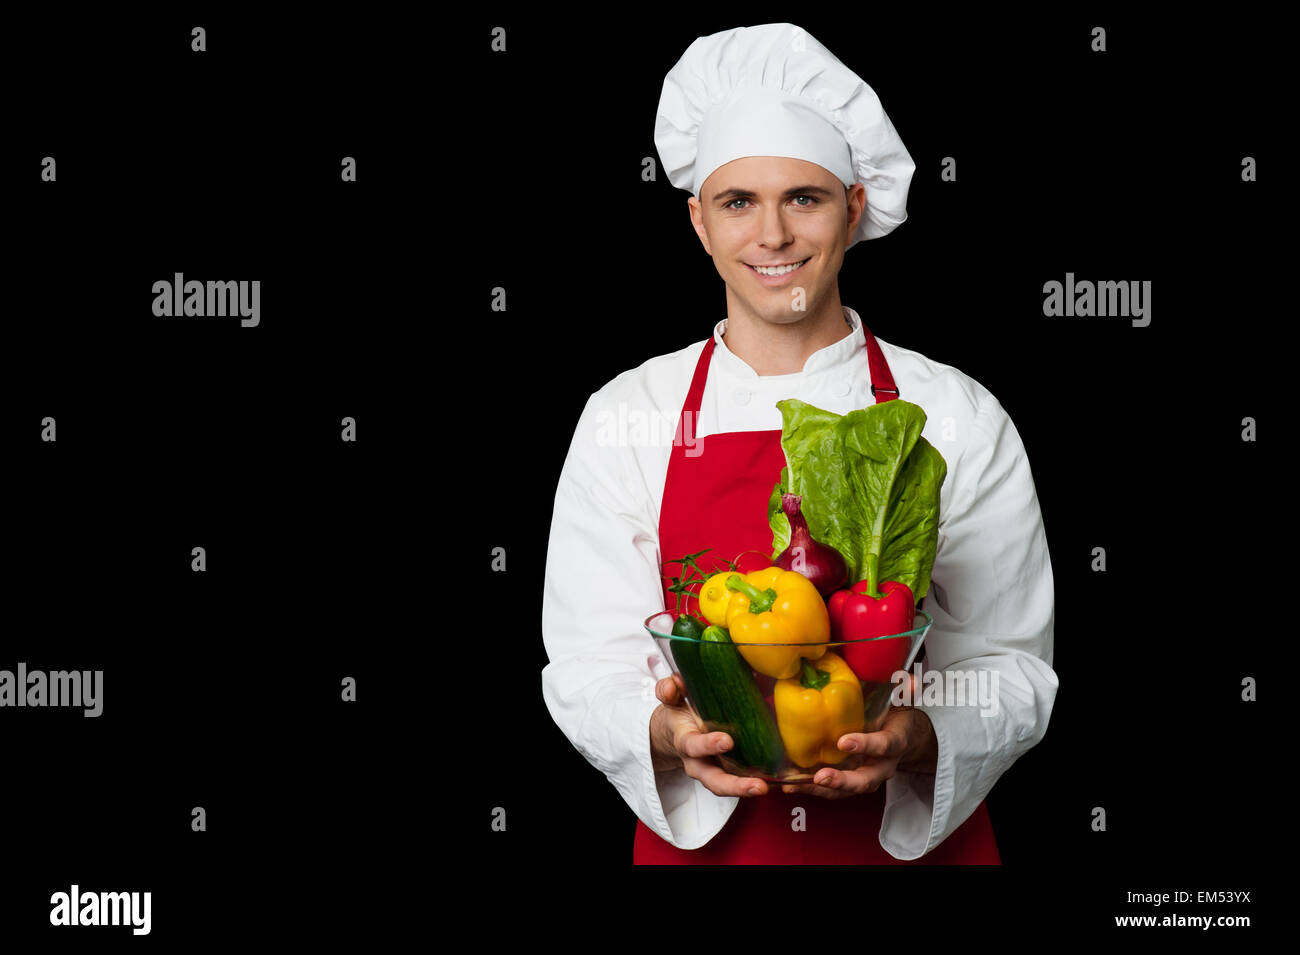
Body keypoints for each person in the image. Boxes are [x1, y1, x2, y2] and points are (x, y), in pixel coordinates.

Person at [541, 22, 1057, 864]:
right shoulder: (627, 413)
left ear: (854, 207)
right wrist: (669, 734)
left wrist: (920, 737)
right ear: (698, 221)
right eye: (738, 202)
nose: (772, 236)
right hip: (707, 848)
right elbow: (586, 660)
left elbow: (1011, 663)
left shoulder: (953, 411)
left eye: (804, 198)